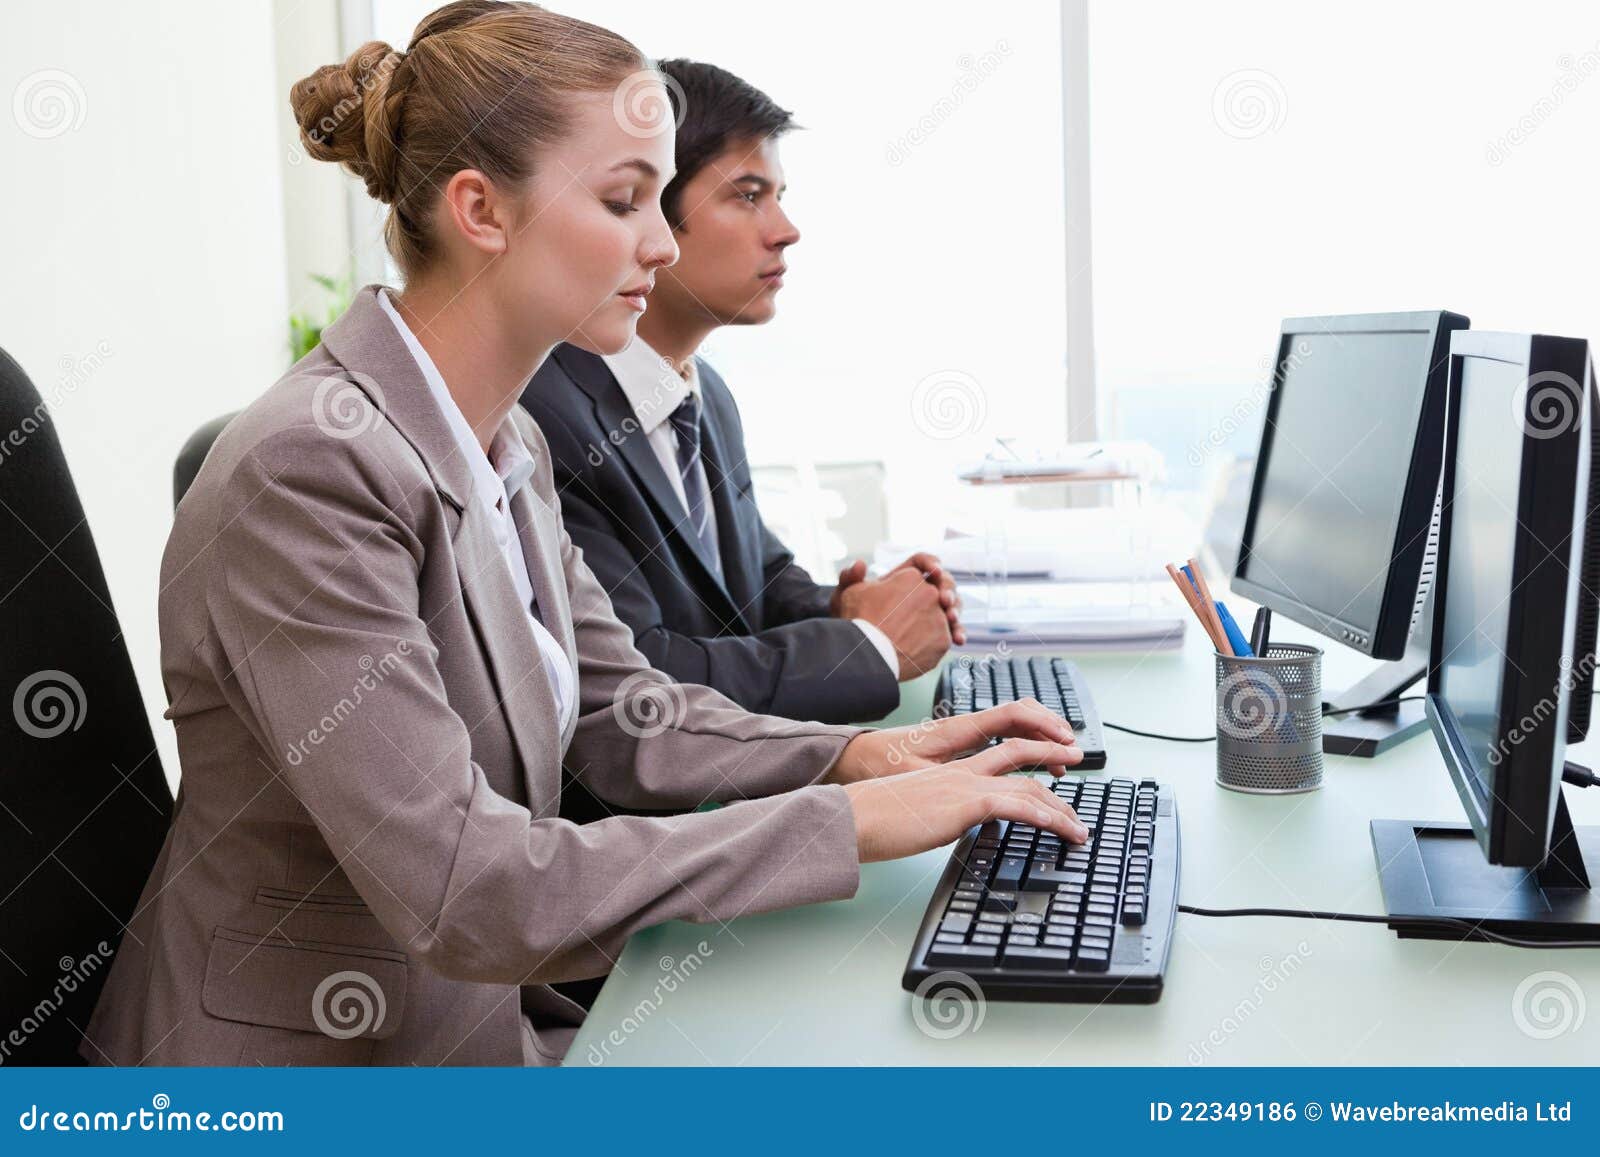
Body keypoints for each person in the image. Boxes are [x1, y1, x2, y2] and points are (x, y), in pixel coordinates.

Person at [81, 1, 1084, 1068]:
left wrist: (855, 757)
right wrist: (849, 824)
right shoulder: (309, 471)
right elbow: (469, 887)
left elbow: (625, 711)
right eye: (622, 200)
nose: (662, 243)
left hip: (470, 1019)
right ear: (481, 209)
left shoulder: (502, 437)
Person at [522, 59, 961, 732]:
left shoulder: (706, 396)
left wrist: (845, 607)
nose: (785, 229)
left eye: (779, 195)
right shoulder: (547, 417)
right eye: (749, 195)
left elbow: (754, 578)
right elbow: (643, 673)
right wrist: (867, 647)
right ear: (648, 208)